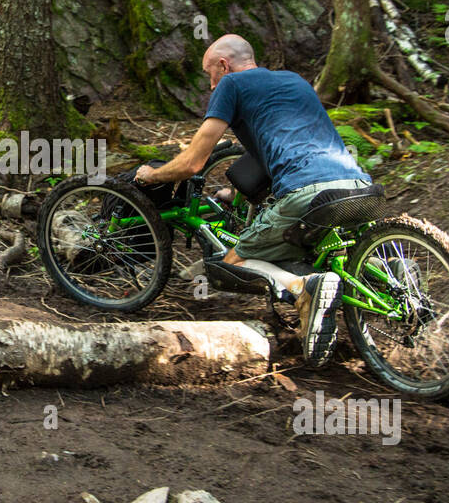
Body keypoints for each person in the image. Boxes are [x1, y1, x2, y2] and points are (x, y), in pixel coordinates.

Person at [134, 34, 373, 364]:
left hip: (308, 192)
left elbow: (192, 163)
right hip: (358, 184)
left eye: (209, 75)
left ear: (223, 65)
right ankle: (383, 270)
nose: (210, 84)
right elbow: (291, 139)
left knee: (230, 262)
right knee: (317, 246)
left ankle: (304, 289)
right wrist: (234, 193)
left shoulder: (231, 85)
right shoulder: (294, 80)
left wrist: (152, 175)